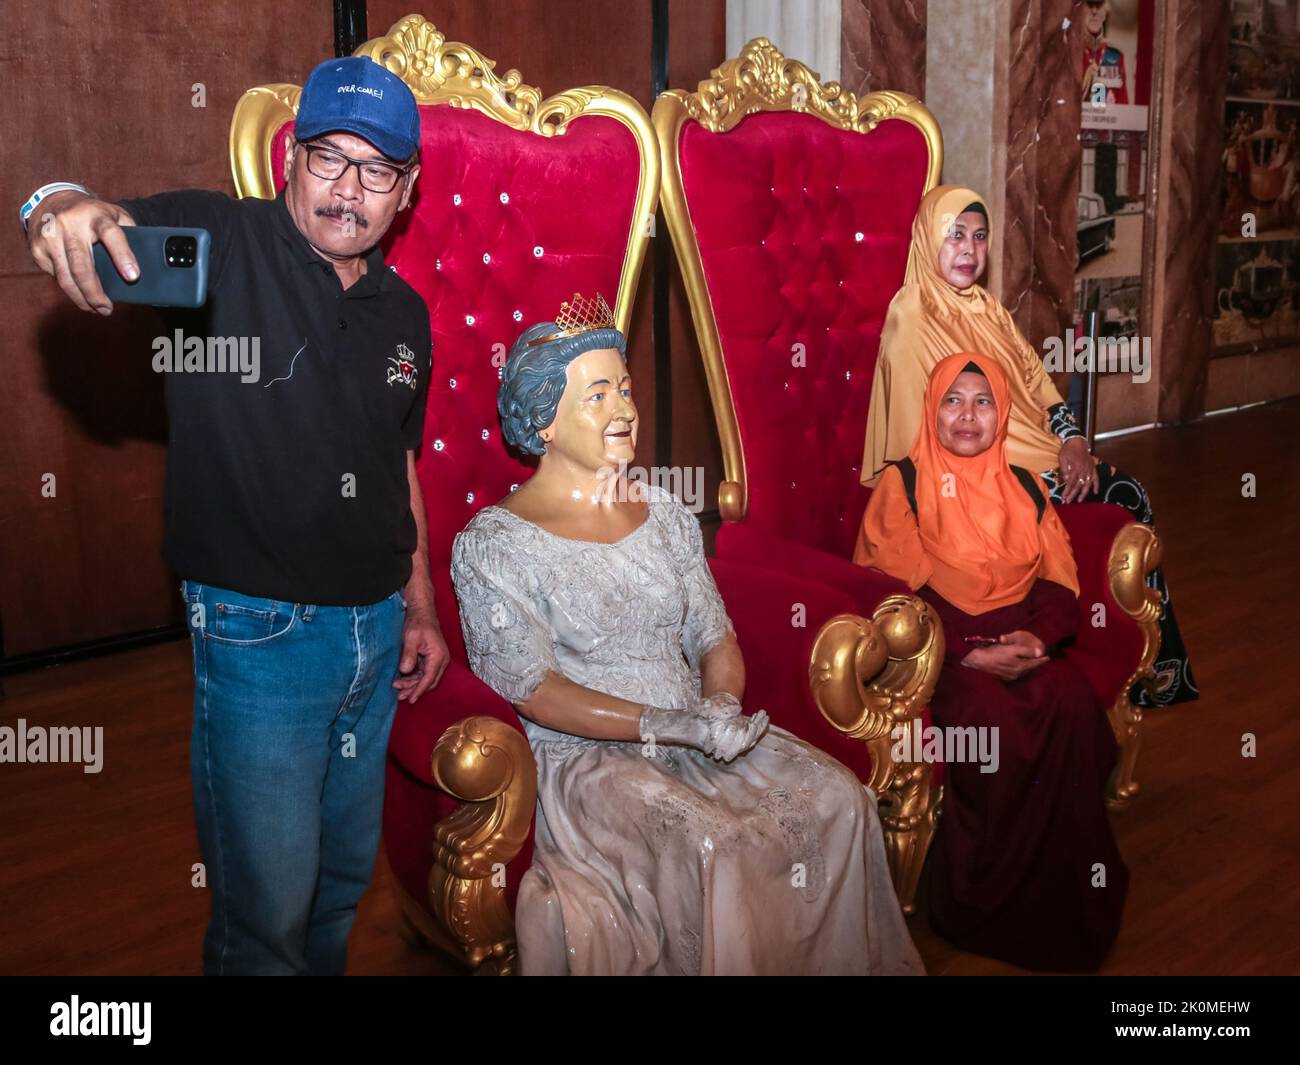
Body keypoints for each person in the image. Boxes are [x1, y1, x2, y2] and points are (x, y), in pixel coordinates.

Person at [20, 56, 451, 974]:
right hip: (261, 640)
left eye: (377, 170)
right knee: (266, 919)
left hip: (376, 639)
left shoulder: (405, 314)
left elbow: (397, 461)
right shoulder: (222, 243)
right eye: (330, 157)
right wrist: (59, 204)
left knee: (338, 890)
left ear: (406, 190)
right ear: (290, 158)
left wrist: (419, 603)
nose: (349, 189)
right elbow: (104, 225)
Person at [450, 294, 924, 976]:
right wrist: (669, 725)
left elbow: (713, 635)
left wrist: (720, 707)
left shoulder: (666, 509)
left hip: (699, 729)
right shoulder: (494, 545)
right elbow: (536, 691)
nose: (625, 409)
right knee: (717, 842)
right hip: (593, 757)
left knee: (839, 797)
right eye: (598, 394)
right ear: (544, 420)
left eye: (627, 388)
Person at [860, 183, 1197, 706]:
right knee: (1120, 498)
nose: (969, 250)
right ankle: (1144, 673)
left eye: (979, 237)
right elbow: (915, 438)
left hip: (1041, 456)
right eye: (954, 236)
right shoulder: (911, 319)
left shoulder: (987, 308)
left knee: (1128, 492)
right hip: (979, 474)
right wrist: (983, 483)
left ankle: (1151, 667)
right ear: (927, 241)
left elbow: (1036, 383)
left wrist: (1074, 441)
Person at [855, 352, 1129, 971]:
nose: (968, 415)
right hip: (940, 652)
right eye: (953, 400)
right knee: (990, 726)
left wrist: (1037, 641)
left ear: (1002, 412)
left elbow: (1059, 580)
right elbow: (893, 594)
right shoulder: (905, 484)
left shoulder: (1026, 486)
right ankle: (985, 896)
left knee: (1071, 701)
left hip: (1025, 641)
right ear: (932, 409)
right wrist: (972, 652)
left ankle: (1066, 885)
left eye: (983, 401)